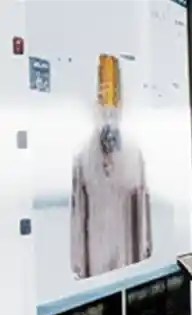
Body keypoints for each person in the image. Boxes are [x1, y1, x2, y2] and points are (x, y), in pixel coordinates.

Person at [70, 53, 151, 278]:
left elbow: (141, 212)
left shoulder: (134, 155)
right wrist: (78, 263)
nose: (109, 111)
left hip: (127, 259)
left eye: (112, 98)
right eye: (103, 97)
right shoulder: (83, 156)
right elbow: (79, 210)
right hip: (94, 264)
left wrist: (144, 258)